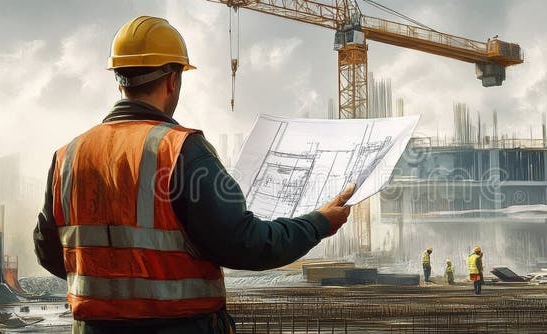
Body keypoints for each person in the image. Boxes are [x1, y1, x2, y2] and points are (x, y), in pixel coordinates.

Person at [33, 16, 355, 333]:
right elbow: (245, 244)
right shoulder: (181, 150)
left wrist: (112, 286)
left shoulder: (68, 156)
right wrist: (319, 223)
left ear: (119, 79)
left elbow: (48, 250)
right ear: (173, 80)